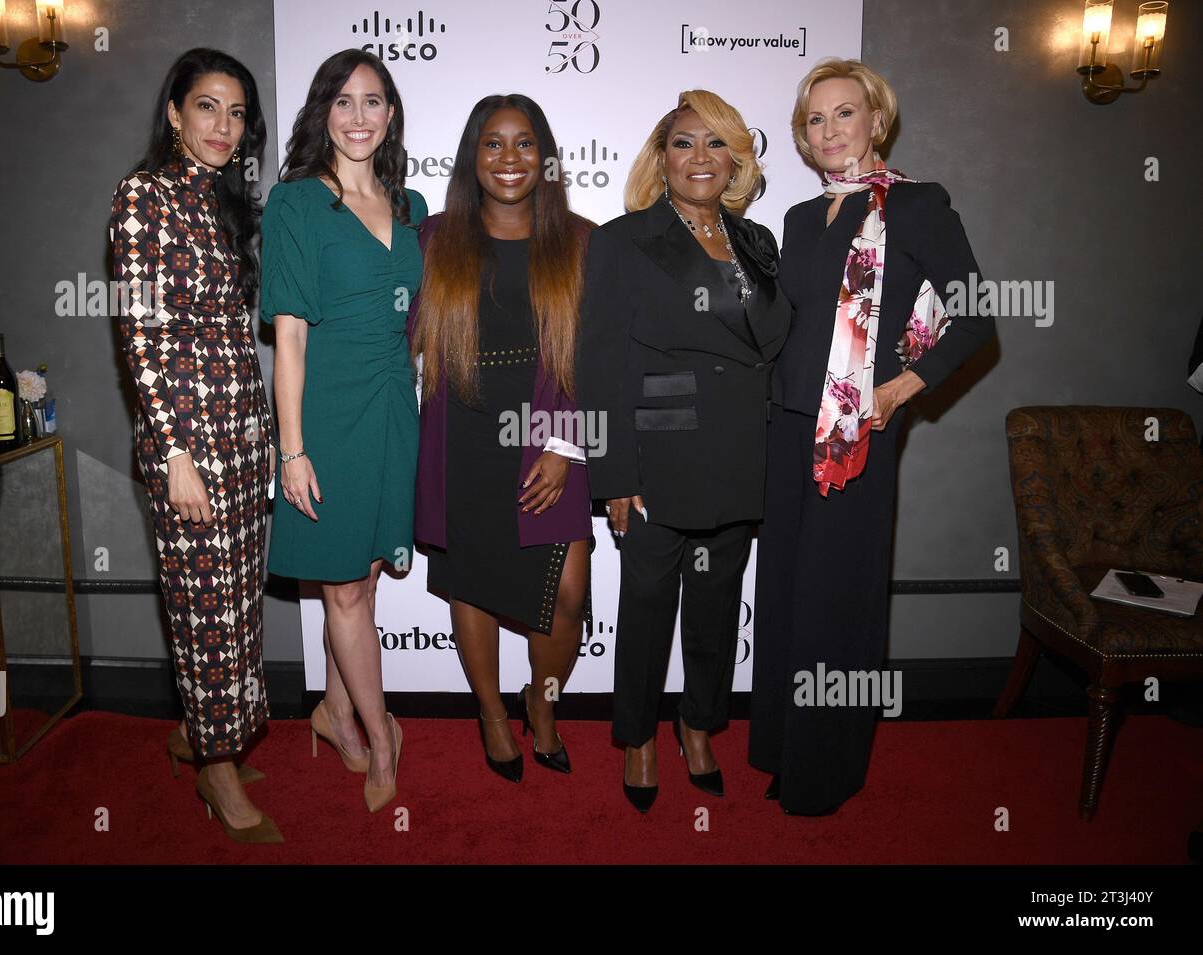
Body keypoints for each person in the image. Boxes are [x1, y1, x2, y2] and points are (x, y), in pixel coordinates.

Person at [749, 58, 996, 815]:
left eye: (844, 113)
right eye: (815, 119)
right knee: (788, 593)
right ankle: (785, 747)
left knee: (835, 600)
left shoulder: (916, 205)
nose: (829, 130)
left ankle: (826, 769)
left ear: (875, 121)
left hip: (855, 433)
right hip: (785, 431)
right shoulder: (799, 218)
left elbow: (975, 315)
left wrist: (897, 389)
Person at [577, 91, 791, 812]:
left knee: (717, 604)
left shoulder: (757, 242)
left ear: (736, 157)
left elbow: (775, 348)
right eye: (683, 143)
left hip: (741, 457)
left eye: (715, 143)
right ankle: (637, 734)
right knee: (644, 606)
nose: (700, 157)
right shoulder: (621, 240)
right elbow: (598, 363)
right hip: (656, 461)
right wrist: (612, 475)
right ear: (660, 158)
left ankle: (699, 722)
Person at [110, 48, 280, 842]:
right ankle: (216, 771)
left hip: (243, 439)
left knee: (238, 604)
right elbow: (141, 333)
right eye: (207, 106)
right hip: (192, 449)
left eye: (237, 112)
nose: (224, 125)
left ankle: (213, 733)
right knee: (203, 611)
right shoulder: (143, 197)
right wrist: (175, 452)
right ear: (175, 112)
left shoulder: (220, 201)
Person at [410, 94, 594, 782]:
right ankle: (491, 713)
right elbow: (386, 342)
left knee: (568, 592)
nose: (509, 158)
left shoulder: (581, 241)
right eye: (493, 143)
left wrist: (561, 442)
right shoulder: (433, 240)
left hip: (550, 437)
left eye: (524, 144)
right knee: (474, 585)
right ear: (471, 157)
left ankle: (541, 706)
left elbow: (599, 360)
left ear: (544, 157)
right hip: (462, 441)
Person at [261, 49, 425, 813]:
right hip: (327, 412)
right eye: (344, 101)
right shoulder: (296, 204)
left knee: (357, 581)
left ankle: (332, 710)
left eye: (374, 101)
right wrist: (291, 448)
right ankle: (379, 733)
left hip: (395, 406)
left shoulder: (411, 205)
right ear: (323, 111)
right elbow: (288, 336)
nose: (359, 117)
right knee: (345, 591)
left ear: (390, 114)